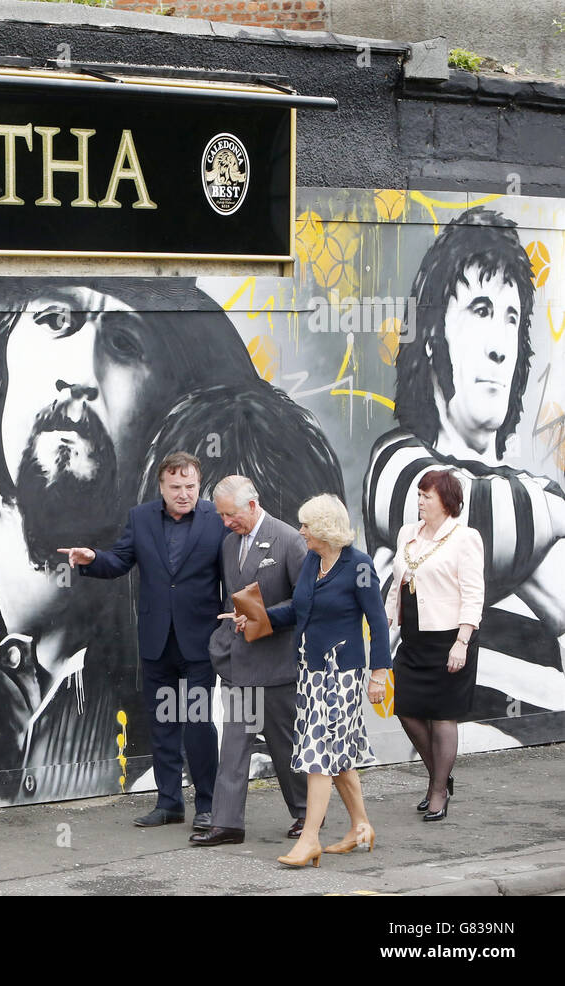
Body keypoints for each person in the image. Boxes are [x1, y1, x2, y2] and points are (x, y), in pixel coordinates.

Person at [0, 276, 327, 802]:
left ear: (166, 411)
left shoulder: (137, 658)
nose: (79, 377)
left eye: (125, 345)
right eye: (56, 321)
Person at [364, 208, 564, 746]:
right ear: (432, 334)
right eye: (481, 308)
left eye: (511, 318)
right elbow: (475, 519)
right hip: (423, 726)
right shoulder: (395, 460)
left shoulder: (532, 497)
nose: (501, 343)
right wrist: (545, 525)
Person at [62, 451, 226, 830]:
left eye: (191, 486)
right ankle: (169, 802)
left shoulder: (216, 521)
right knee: (162, 723)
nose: (184, 493)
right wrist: (91, 559)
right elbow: (119, 561)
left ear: (199, 486)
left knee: (198, 722)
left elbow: (230, 575)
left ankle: (208, 803)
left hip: (200, 643)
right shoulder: (141, 518)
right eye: (176, 487)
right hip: (156, 641)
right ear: (162, 487)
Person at [227, 494, 391, 867]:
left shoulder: (359, 566)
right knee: (340, 757)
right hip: (312, 673)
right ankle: (361, 826)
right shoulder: (313, 561)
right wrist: (256, 618)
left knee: (319, 756)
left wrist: (379, 674)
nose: (301, 532)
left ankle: (309, 839)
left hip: (342, 675)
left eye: (307, 526)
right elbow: (298, 609)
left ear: (326, 529)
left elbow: (378, 622)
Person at [191, 475, 308, 847]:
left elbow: (305, 604)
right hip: (239, 663)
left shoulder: (290, 539)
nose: (226, 523)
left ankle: (306, 811)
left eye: (231, 515)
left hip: (277, 667)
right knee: (234, 746)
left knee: (284, 746)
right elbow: (233, 599)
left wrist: (263, 618)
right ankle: (227, 824)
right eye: (222, 516)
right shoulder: (229, 544)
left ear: (252, 505)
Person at [386, 469, 485, 821]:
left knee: (443, 717)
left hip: (449, 640)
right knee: (405, 708)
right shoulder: (408, 533)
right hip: (414, 639)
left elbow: (474, 595)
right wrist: (385, 619)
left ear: (447, 501)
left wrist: (462, 641)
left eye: (427, 496)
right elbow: (397, 584)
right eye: (419, 495)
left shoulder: (465, 538)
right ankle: (439, 775)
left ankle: (439, 789)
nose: (420, 502)